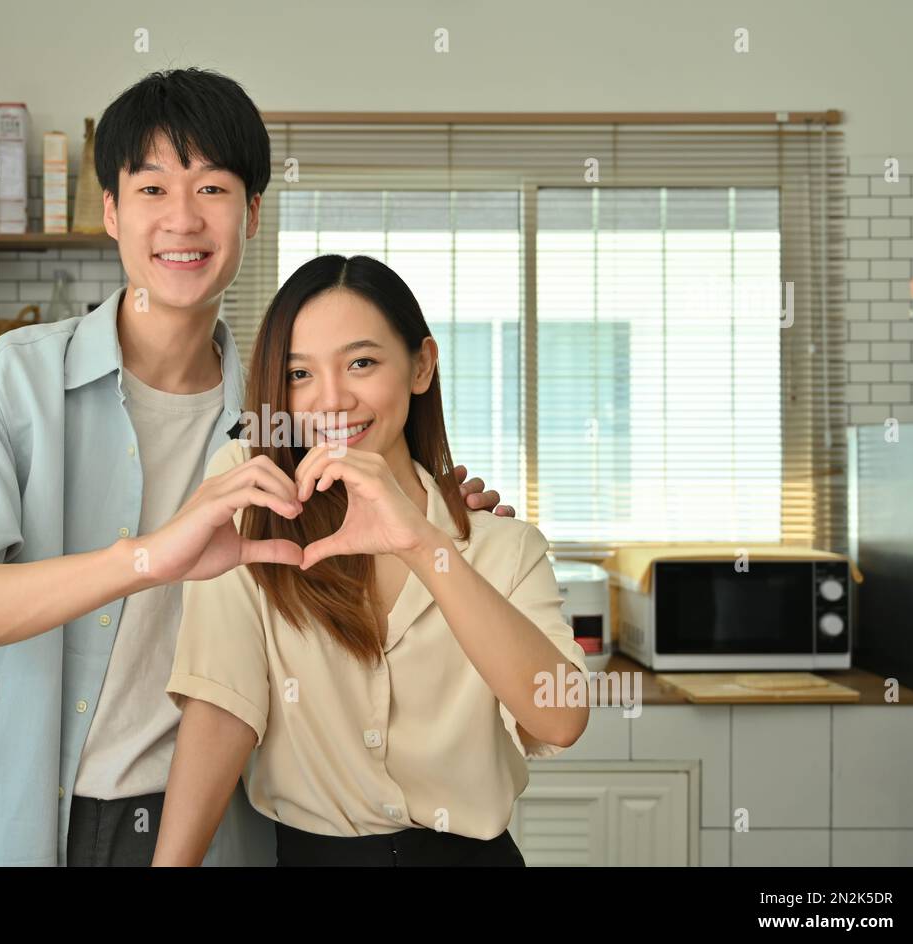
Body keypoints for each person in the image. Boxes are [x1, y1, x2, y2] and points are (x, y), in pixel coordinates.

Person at [0, 70, 511, 866]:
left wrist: (453, 526)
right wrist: (144, 558)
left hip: (205, 826)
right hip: (12, 822)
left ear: (249, 215)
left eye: (211, 186)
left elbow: (375, 560)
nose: (182, 218)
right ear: (111, 211)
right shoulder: (7, 385)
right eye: (151, 188)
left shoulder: (285, 418)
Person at [153, 254, 590, 867]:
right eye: (300, 373)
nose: (331, 399)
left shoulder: (504, 548)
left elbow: (561, 718)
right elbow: (221, 706)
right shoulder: (252, 510)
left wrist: (424, 544)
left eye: (361, 362)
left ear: (421, 366)